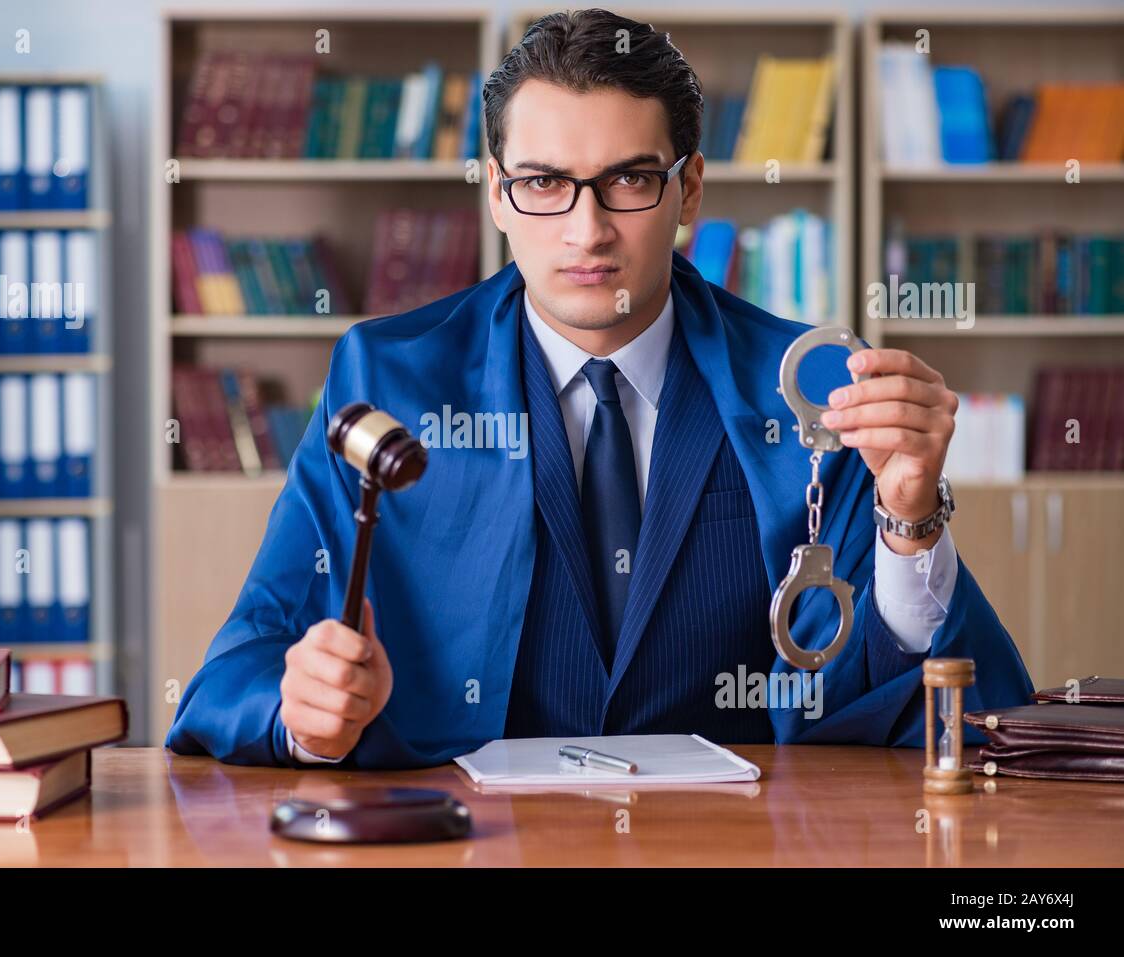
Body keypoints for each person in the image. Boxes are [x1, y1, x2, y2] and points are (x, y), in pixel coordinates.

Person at [165, 8, 1032, 768]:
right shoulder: (387, 376)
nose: (587, 230)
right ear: (498, 195)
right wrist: (303, 714)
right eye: (543, 182)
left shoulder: (809, 392)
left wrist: (912, 521)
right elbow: (240, 666)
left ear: (689, 190)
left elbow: (935, 704)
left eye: (629, 179)